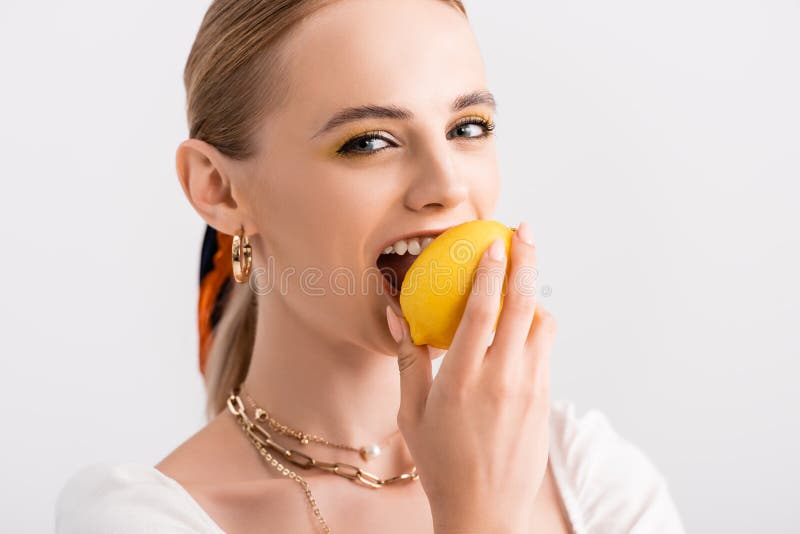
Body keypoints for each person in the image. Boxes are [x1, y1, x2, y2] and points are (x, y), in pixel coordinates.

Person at [55, 0, 686, 532]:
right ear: (219, 189)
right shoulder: (142, 517)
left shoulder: (594, 480)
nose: (446, 185)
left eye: (468, 127)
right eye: (368, 142)